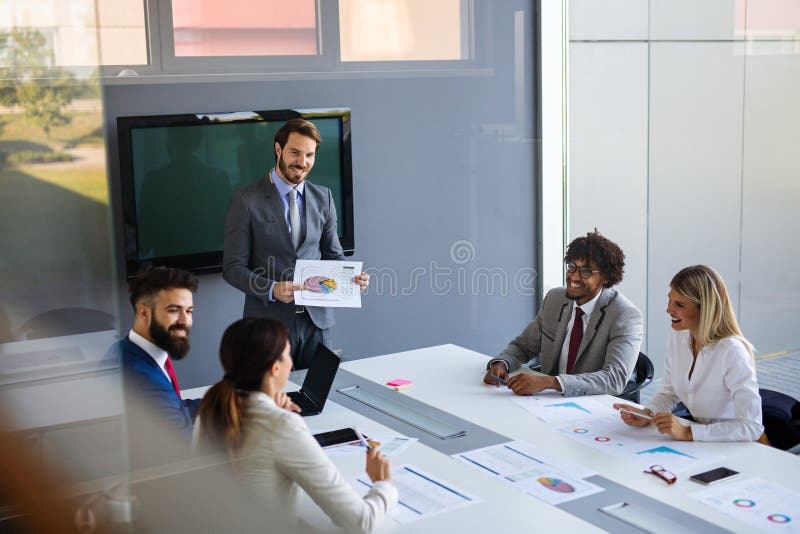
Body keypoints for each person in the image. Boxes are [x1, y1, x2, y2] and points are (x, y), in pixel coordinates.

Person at [193, 318, 396, 533]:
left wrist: (274, 410)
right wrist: (383, 484)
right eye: (288, 355)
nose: (291, 364)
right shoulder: (279, 425)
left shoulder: (213, 403)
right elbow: (360, 522)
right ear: (275, 368)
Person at [223, 118, 369, 370]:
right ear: (278, 149)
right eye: (295, 153)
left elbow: (334, 255)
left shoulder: (323, 197)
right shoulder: (247, 199)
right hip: (268, 326)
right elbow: (233, 268)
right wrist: (272, 289)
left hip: (317, 324)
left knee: (317, 400)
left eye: (310, 155)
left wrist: (351, 277)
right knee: (270, 403)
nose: (302, 162)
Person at [614, 265, 764, 442]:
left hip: (738, 445)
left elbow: (751, 427)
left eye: (679, 304)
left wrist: (688, 433)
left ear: (705, 309)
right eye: (669, 300)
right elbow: (668, 393)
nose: (668, 309)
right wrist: (647, 414)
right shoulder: (678, 335)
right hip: (702, 442)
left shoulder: (732, 351)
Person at [484, 230, 643, 397]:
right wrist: (501, 364)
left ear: (605, 277)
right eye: (571, 266)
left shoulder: (624, 315)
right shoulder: (555, 299)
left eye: (585, 271)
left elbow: (614, 379)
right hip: (545, 402)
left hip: (592, 406)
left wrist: (550, 382)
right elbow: (523, 346)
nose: (574, 276)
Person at [108, 266, 200, 467]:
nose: (185, 321)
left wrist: (235, 400)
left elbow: (176, 409)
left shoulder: (129, 351)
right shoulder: (141, 377)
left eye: (189, 311)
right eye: (174, 311)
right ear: (143, 312)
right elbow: (185, 448)